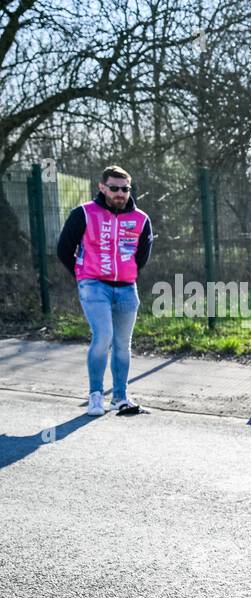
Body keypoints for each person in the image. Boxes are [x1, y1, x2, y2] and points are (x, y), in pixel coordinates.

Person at [56, 165, 153, 416]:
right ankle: (96, 396)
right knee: (103, 337)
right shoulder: (84, 213)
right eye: (114, 188)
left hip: (126, 289)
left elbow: (142, 256)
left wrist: (127, 273)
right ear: (102, 187)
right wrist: (83, 275)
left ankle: (119, 398)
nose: (120, 193)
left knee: (123, 344)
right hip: (93, 285)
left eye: (125, 189)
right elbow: (63, 249)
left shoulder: (141, 219)